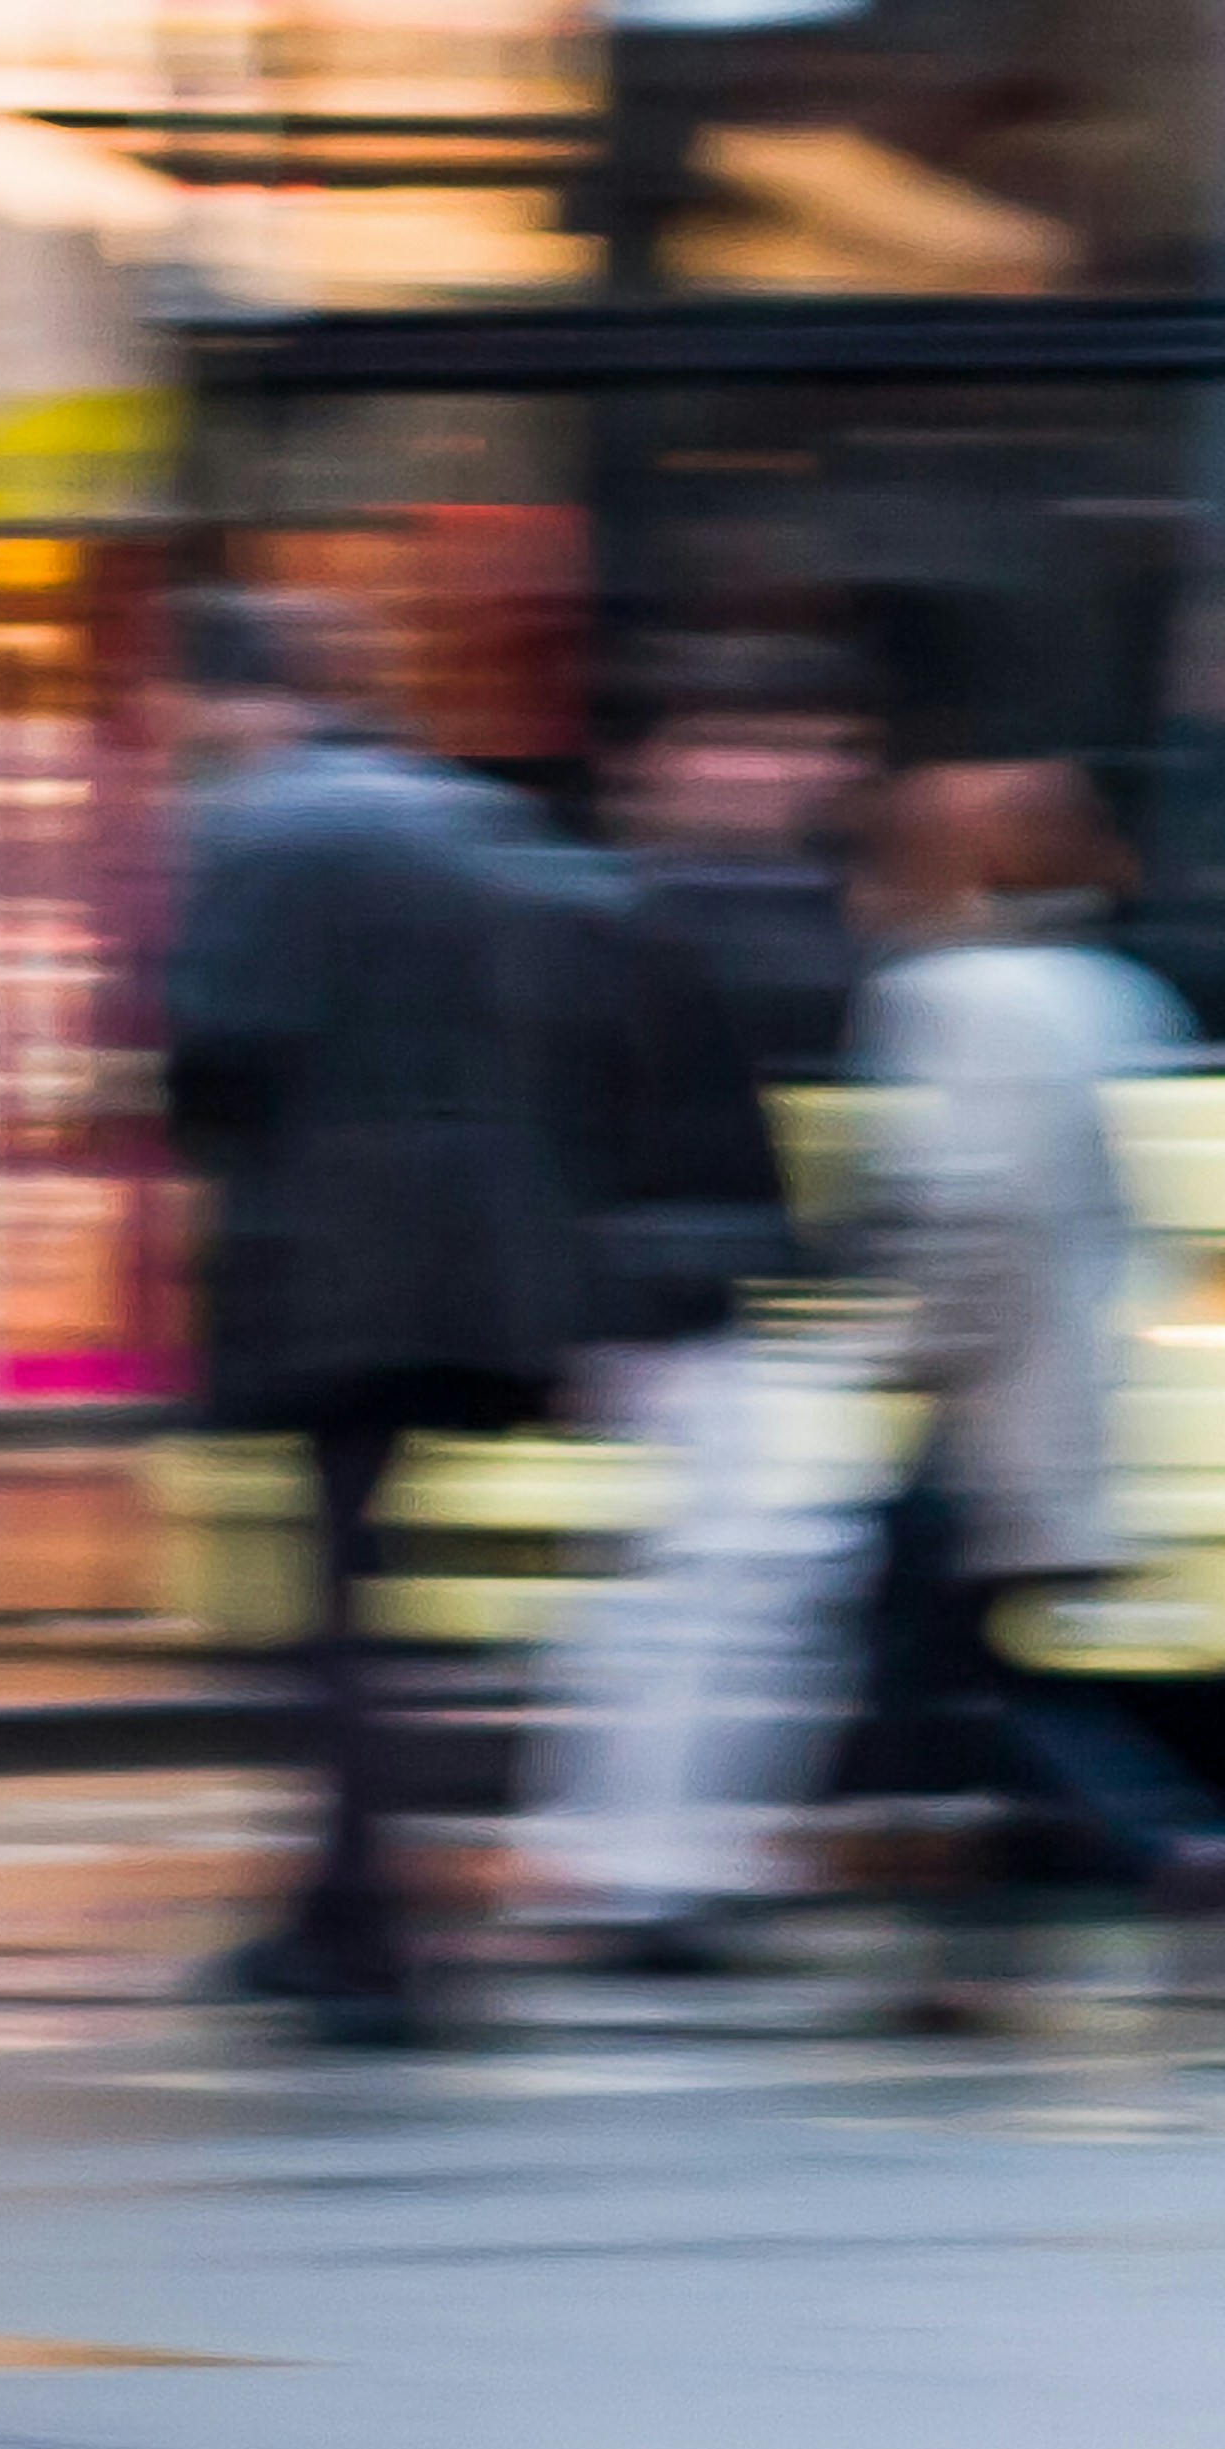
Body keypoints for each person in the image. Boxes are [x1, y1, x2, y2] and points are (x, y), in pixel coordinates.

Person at [155, 584, 601, 2045]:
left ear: (237, 696)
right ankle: (345, 1910)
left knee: (341, 1614)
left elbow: (215, 1053)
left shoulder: (266, 825)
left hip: (332, 1261)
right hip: (472, 1262)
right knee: (366, 1590)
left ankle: (370, 1930)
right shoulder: (470, 823)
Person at [842, 758, 1225, 2016]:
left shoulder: (947, 999)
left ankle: (1170, 1853)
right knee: (992, 1667)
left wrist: (902, 1352)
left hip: (997, 1392)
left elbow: (968, 1211)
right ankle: (994, 1938)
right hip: (1096, 1382)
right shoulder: (1122, 992)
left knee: (937, 1675)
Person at [518, 646, 884, 1974]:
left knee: (717, 1583)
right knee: (721, 1581)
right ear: (662, 763)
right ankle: (648, 1862)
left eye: (808, 743)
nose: (785, 769)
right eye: (748, 741)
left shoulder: (717, 904)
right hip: (692, 1300)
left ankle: (654, 1852)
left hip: (730, 1293)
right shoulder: (657, 914)